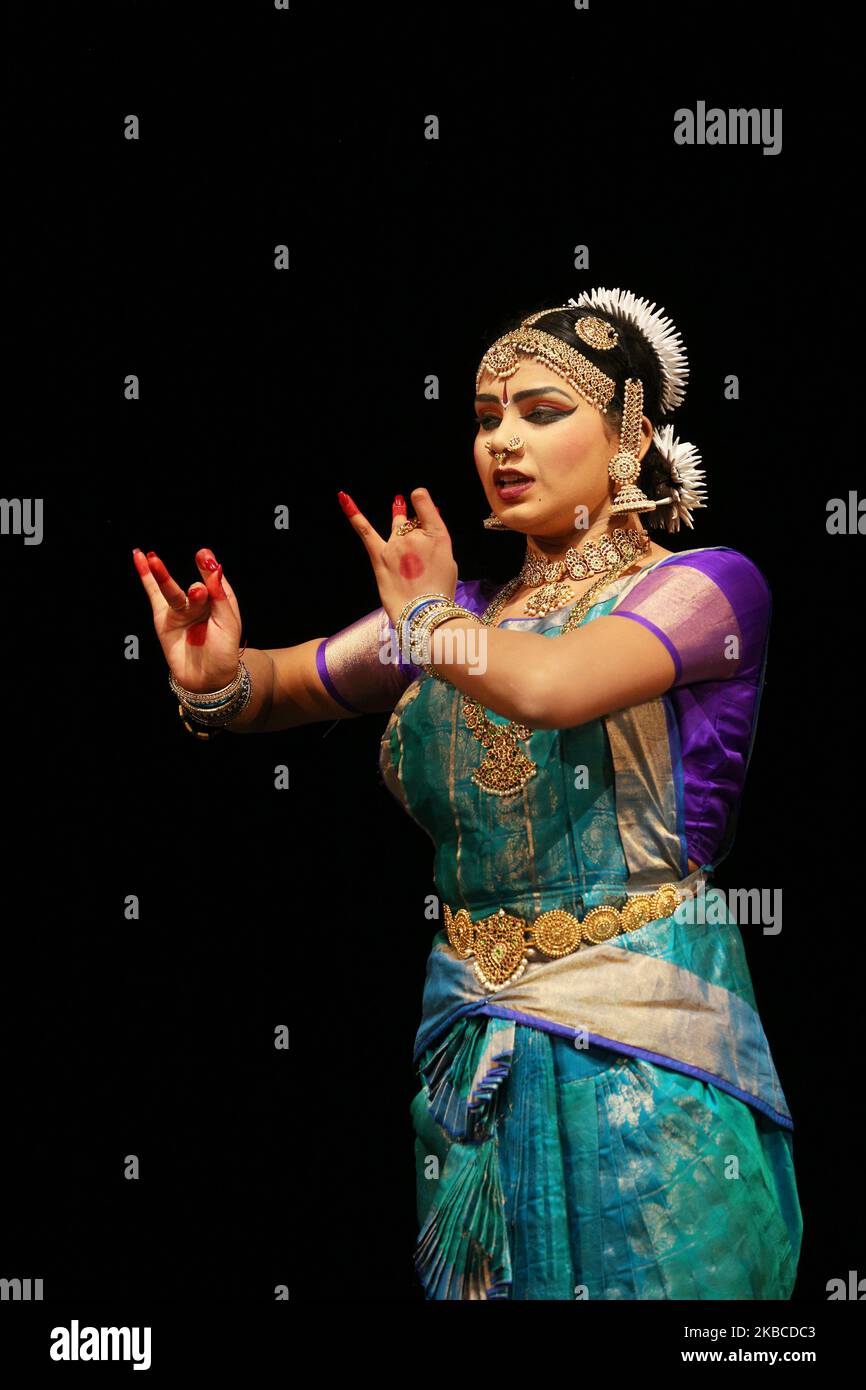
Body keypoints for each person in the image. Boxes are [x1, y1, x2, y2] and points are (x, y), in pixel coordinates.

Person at [133, 287, 803, 1301]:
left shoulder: (706, 588)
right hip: (470, 1043)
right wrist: (214, 677)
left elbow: (550, 683)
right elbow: (281, 686)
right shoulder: (466, 616)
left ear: (626, 438)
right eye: (487, 417)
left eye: (540, 413)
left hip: (644, 1042)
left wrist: (433, 624)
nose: (501, 441)